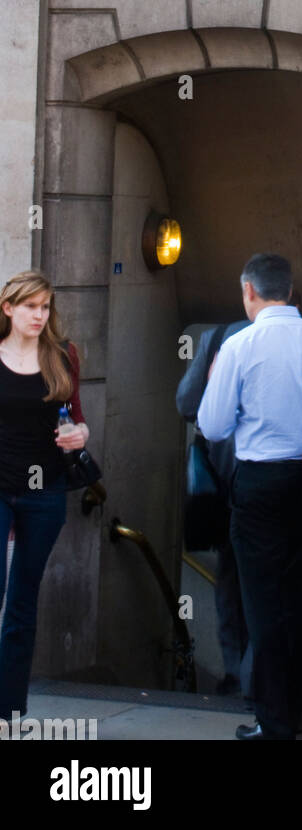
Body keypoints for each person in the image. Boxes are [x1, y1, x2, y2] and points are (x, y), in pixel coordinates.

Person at [197, 253, 302, 740]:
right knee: (299, 599)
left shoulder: (240, 345)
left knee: (262, 608)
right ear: (290, 291)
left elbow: (212, 424)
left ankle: (273, 723)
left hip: (259, 485)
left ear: (249, 290)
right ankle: (294, 712)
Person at [0, 270, 90, 721]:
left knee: (22, 600)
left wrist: (80, 434)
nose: (40, 315)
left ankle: (9, 709)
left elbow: (77, 417)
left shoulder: (62, 355)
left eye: (46, 307)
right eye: (31, 306)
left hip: (44, 491)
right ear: (8, 308)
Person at [176, 318, 249, 696]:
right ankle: (264, 680)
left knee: (231, 584)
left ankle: (238, 674)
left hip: (226, 483)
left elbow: (187, 405)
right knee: (277, 586)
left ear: (249, 291)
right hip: (286, 489)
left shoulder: (218, 338)